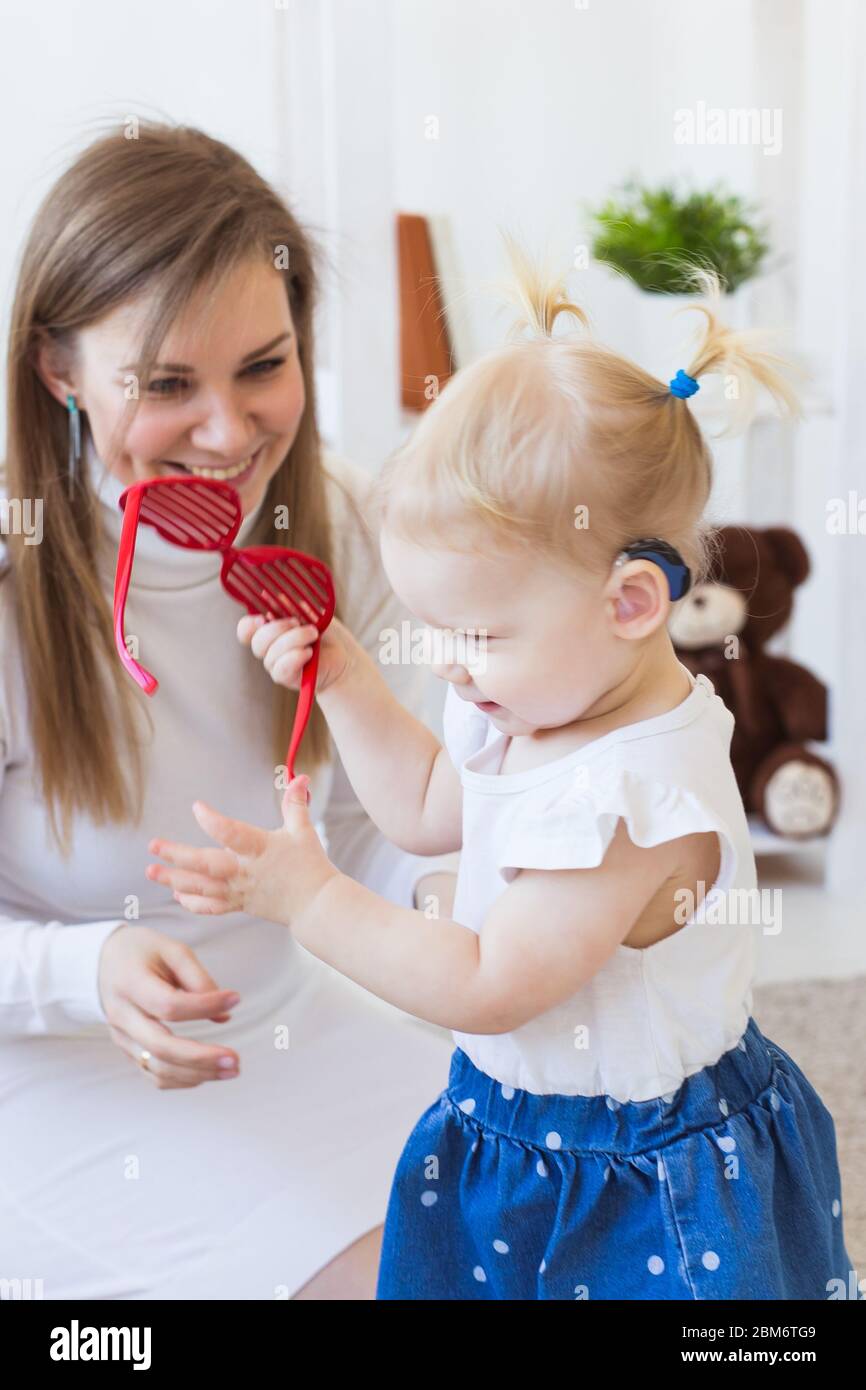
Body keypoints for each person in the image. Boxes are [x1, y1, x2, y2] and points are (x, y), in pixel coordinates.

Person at [148, 260, 858, 1300]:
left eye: (471, 631)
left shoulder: (635, 804)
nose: (442, 659)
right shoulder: (529, 692)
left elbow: (486, 983)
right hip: (518, 1133)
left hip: (632, 1184)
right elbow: (434, 805)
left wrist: (312, 900)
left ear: (627, 604)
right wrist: (346, 682)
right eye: (428, 625)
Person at [0, 121, 456, 1301]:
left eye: (263, 365)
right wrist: (81, 966)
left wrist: (472, 895)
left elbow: (370, 825)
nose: (227, 430)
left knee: (578, 1229)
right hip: (47, 1072)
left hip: (286, 1030)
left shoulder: (342, 526)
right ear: (57, 368)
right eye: (164, 385)